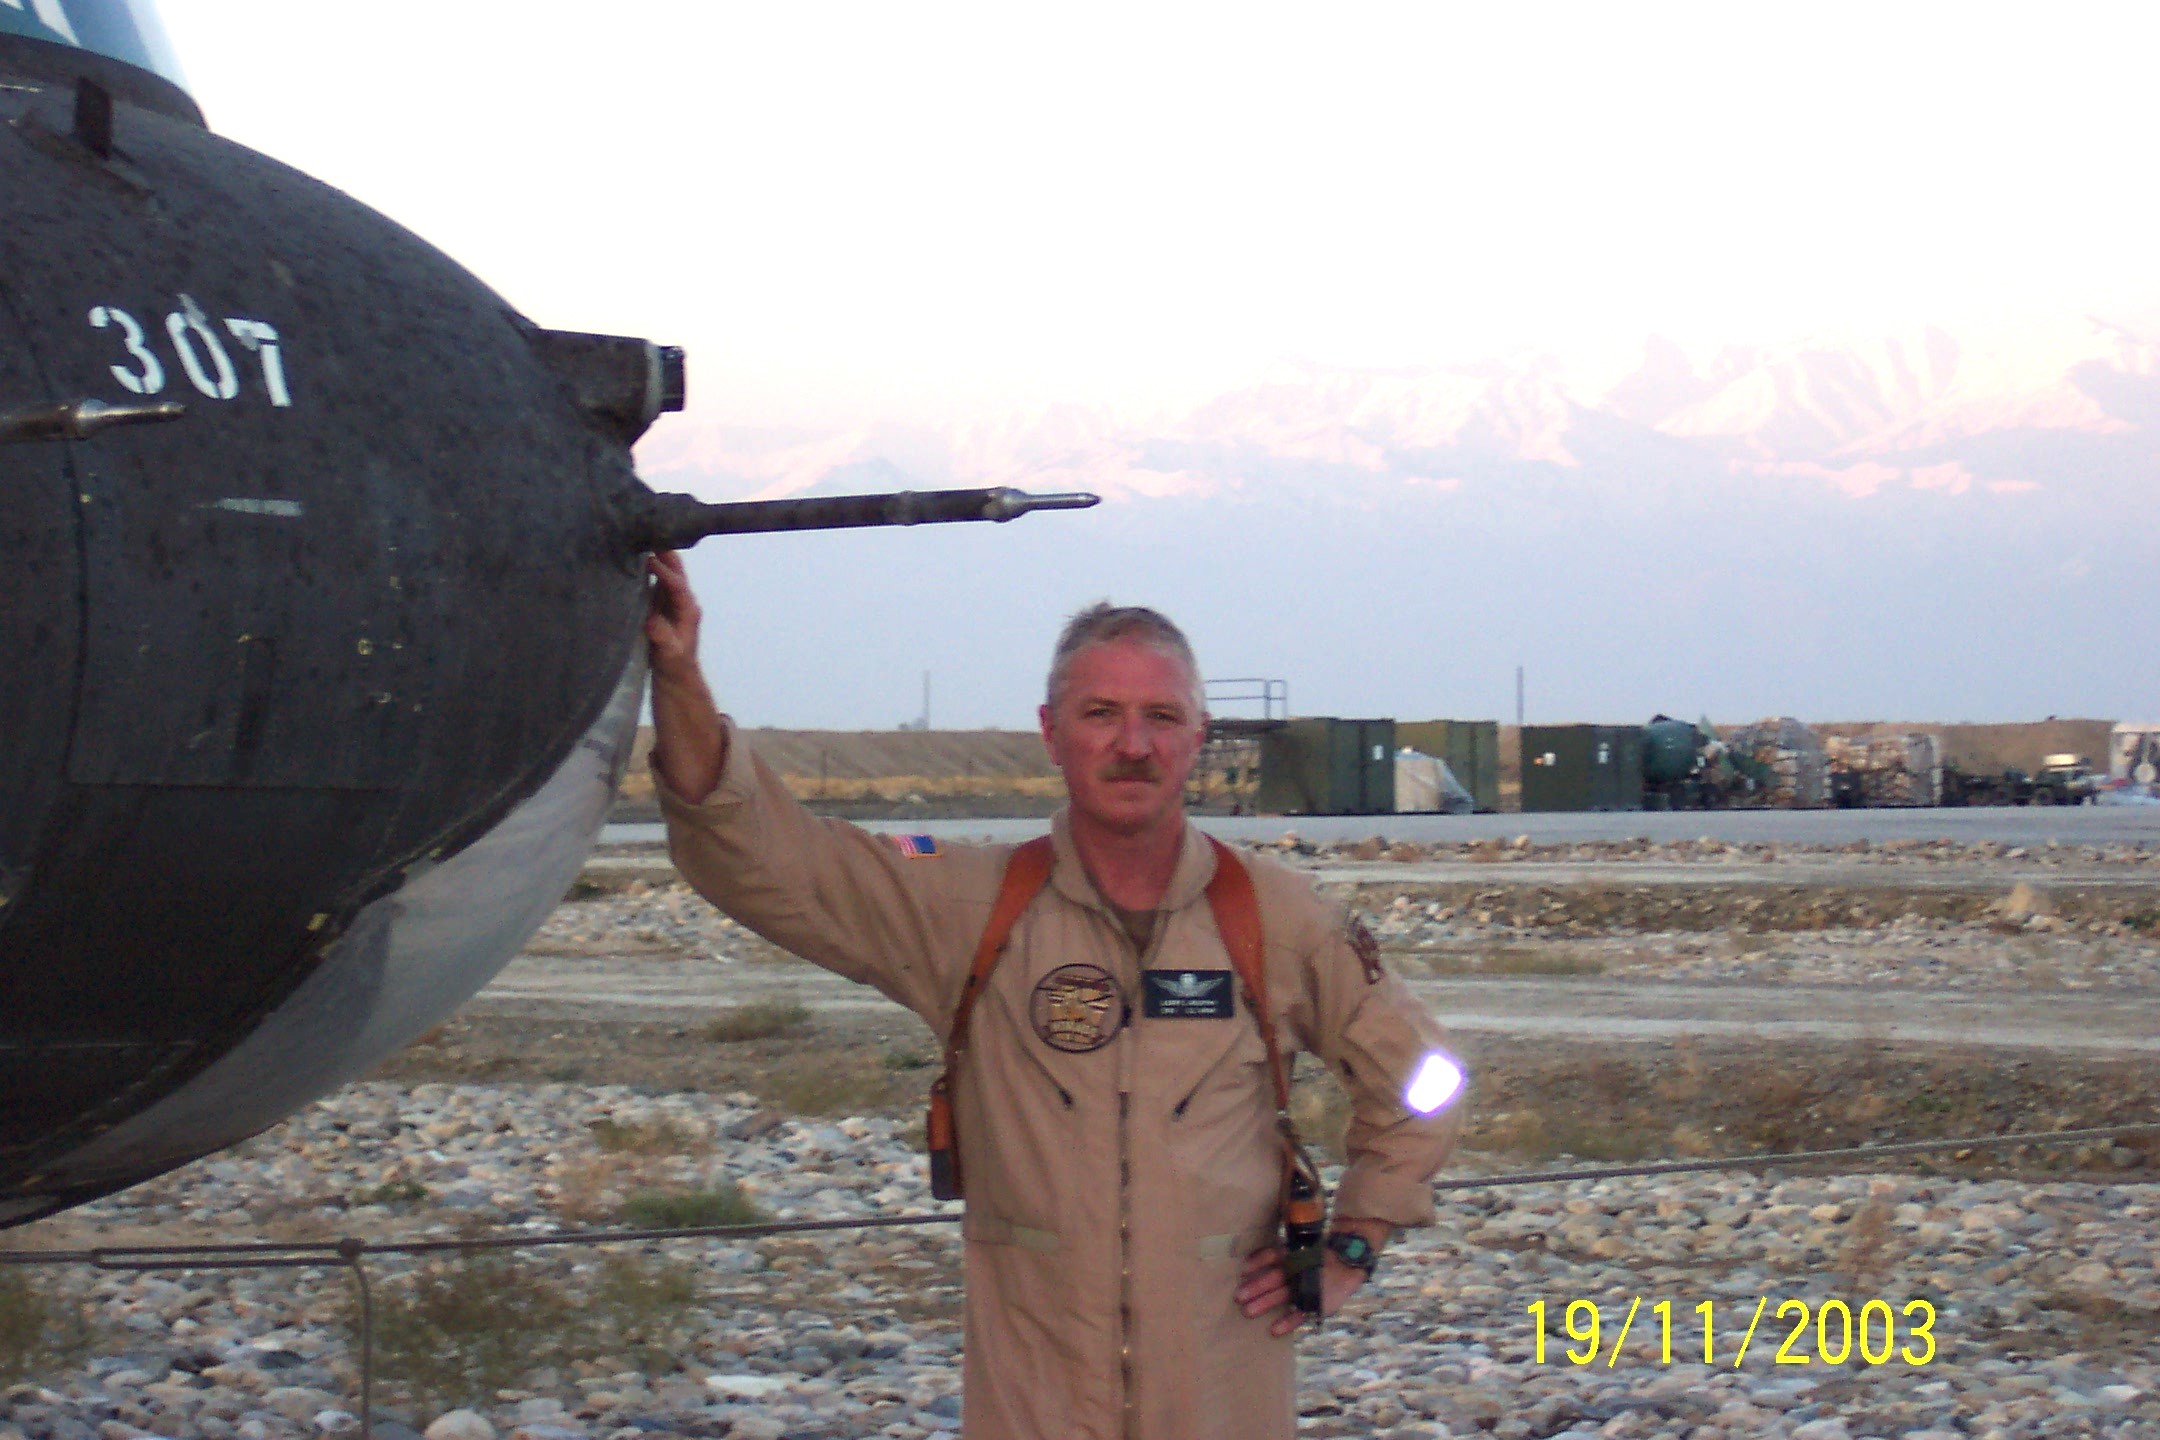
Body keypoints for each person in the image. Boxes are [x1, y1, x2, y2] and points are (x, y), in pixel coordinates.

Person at [643, 551, 1463, 1440]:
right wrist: (679, 678)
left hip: (1223, 1395)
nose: (1133, 744)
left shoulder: (1279, 917)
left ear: (1199, 734)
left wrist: (1355, 1240)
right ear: (1050, 729)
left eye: (1161, 716)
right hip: (1032, 1399)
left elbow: (1429, 1078)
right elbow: (763, 854)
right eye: (1100, 714)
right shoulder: (969, 910)